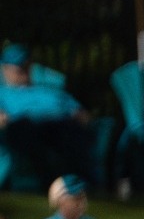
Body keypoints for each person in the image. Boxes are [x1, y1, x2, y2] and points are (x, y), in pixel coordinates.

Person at [0, 45, 94, 185]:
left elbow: (82, 115)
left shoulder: (49, 90)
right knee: (25, 128)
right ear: (5, 69)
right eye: (18, 68)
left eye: (25, 66)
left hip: (62, 128)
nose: (23, 71)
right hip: (25, 130)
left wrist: (84, 121)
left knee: (72, 133)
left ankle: (79, 182)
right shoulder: (3, 93)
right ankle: (51, 181)